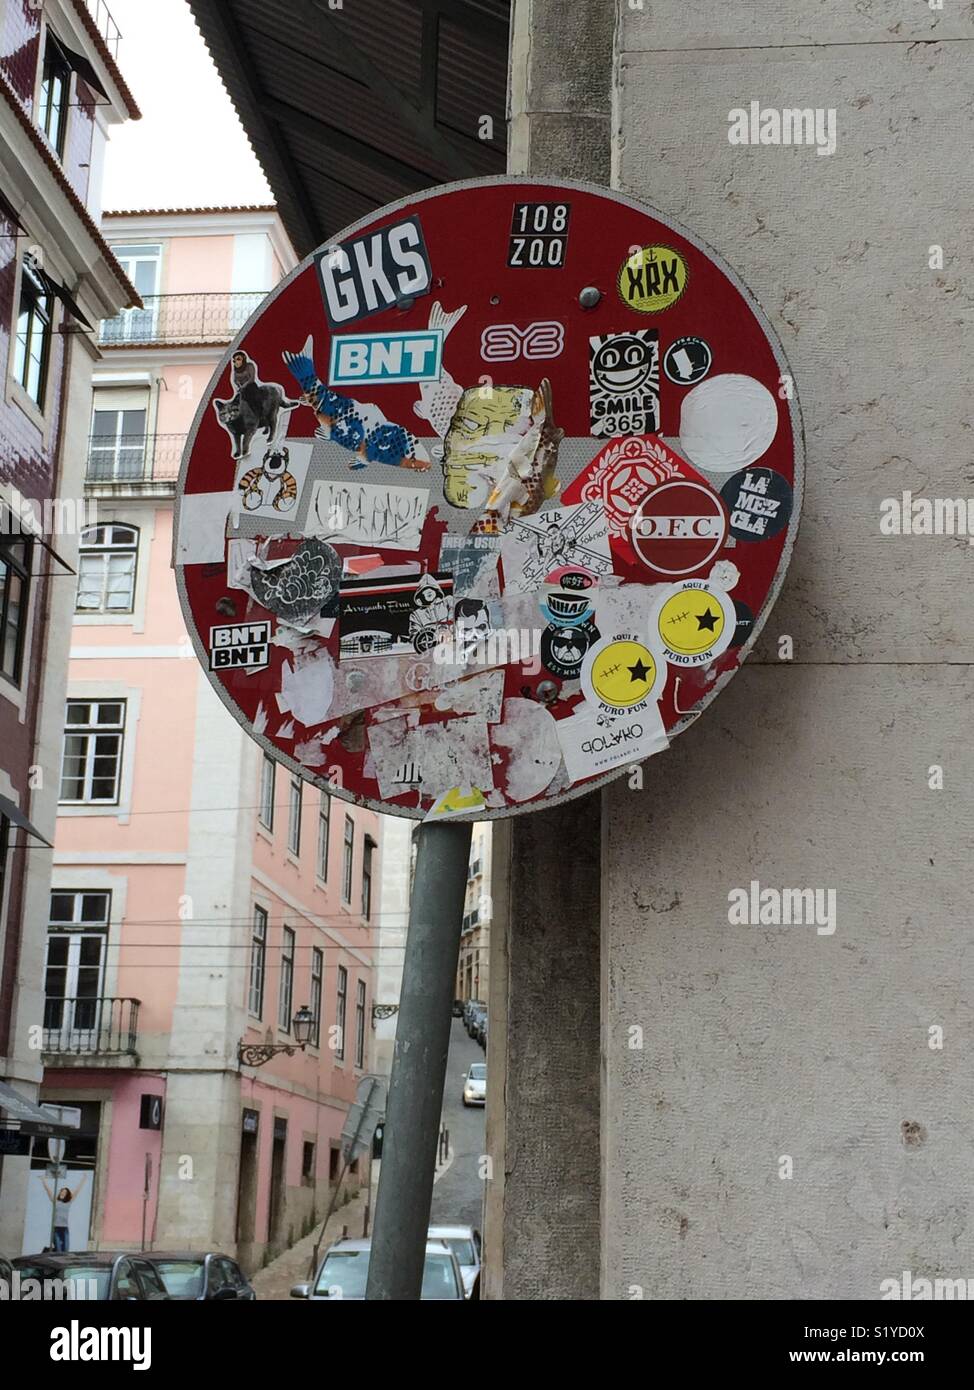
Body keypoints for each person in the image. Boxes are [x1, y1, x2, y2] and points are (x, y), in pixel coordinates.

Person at [41, 1173, 88, 1253]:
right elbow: (48, 1191)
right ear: (60, 1193)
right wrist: (43, 1181)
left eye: (65, 1192)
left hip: (65, 1228)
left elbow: (77, 1191)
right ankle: (52, 1252)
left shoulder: (68, 1202)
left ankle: (52, 1252)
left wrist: (84, 1179)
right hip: (56, 1228)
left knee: (66, 1250)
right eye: (62, 1192)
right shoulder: (55, 1201)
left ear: (67, 1195)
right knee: (59, 1251)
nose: (63, 1193)